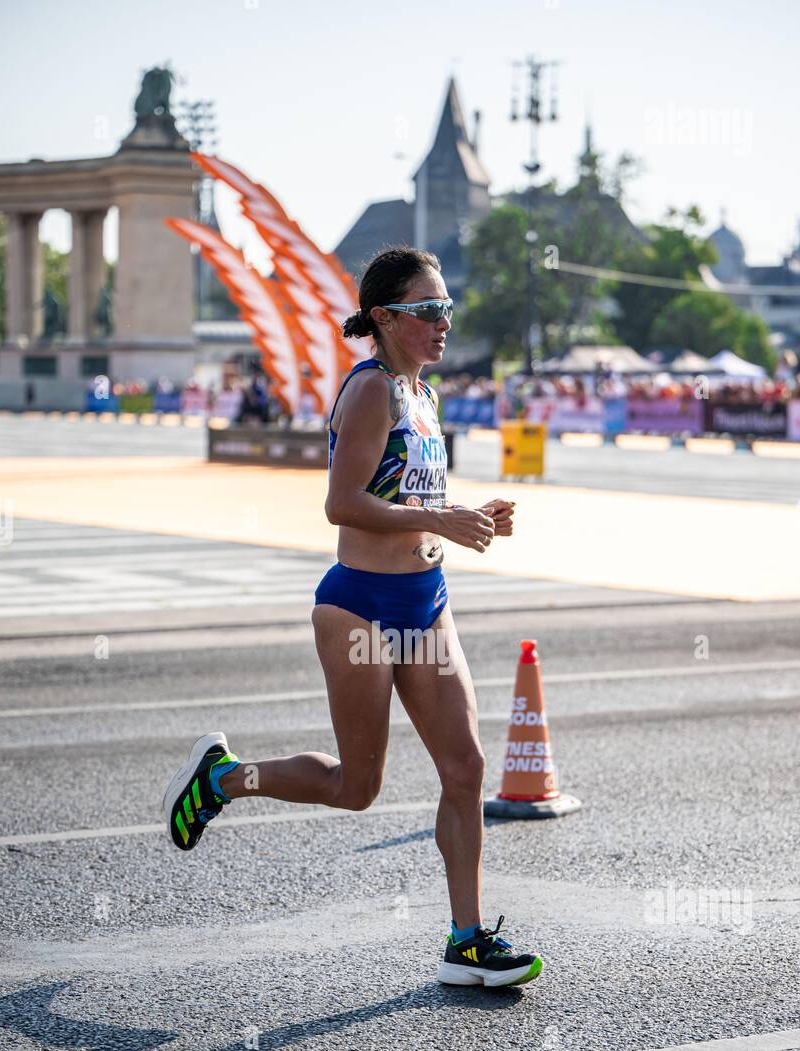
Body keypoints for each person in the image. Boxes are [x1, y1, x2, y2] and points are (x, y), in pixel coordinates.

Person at [162, 245, 542, 989]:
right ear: (383, 318)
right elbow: (342, 505)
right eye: (427, 311)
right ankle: (222, 779)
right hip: (361, 609)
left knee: (464, 769)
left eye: (446, 310)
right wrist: (442, 514)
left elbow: (409, 499)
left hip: (425, 605)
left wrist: (471, 520)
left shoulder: (424, 397)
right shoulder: (370, 390)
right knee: (357, 788)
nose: (442, 324)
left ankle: (465, 941)